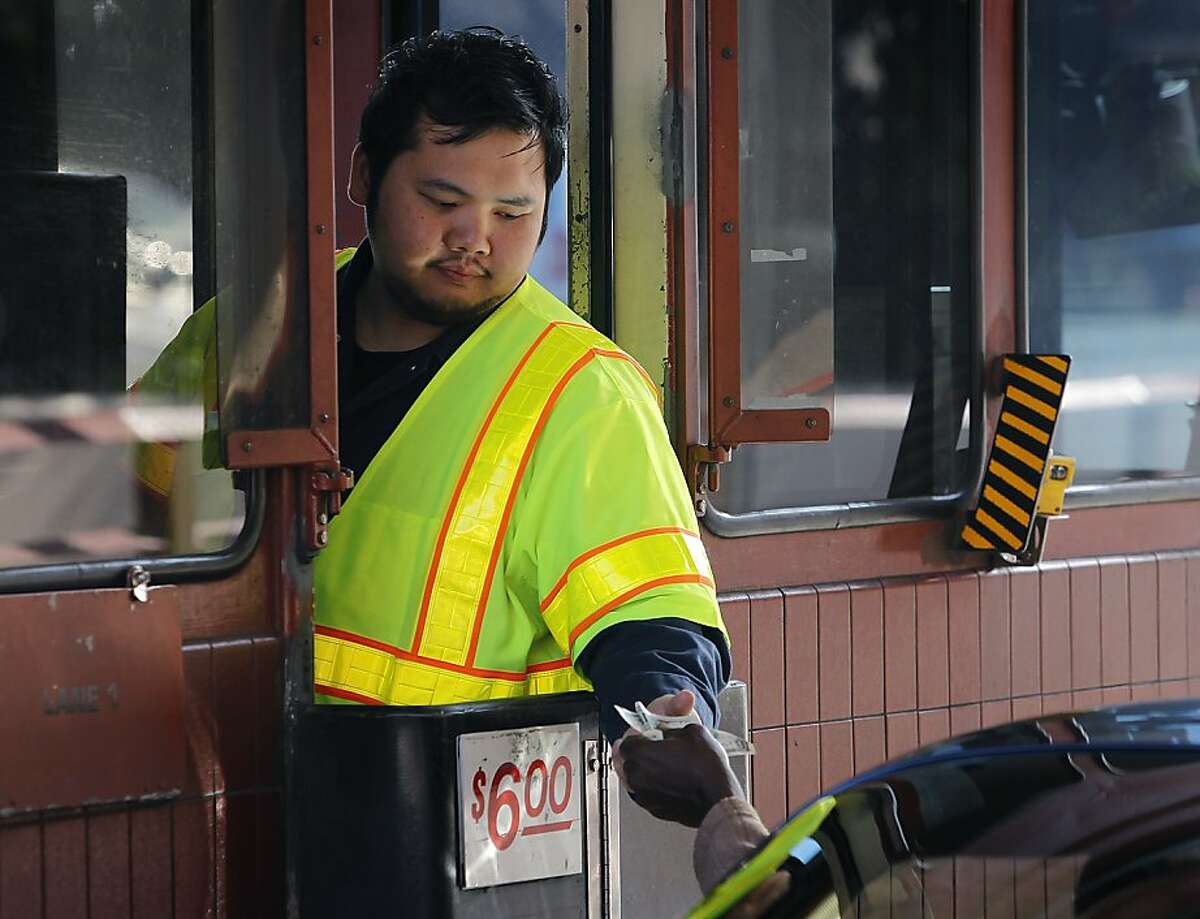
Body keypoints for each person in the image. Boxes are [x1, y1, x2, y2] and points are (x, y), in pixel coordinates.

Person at [136, 28, 730, 747]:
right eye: (442, 199)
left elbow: (655, 626)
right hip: (210, 788)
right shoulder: (244, 327)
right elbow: (116, 517)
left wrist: (670, 730)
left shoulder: (583, 392)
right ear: (362, 175)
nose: (474, 238)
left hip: (449, 835)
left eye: (513, 214)